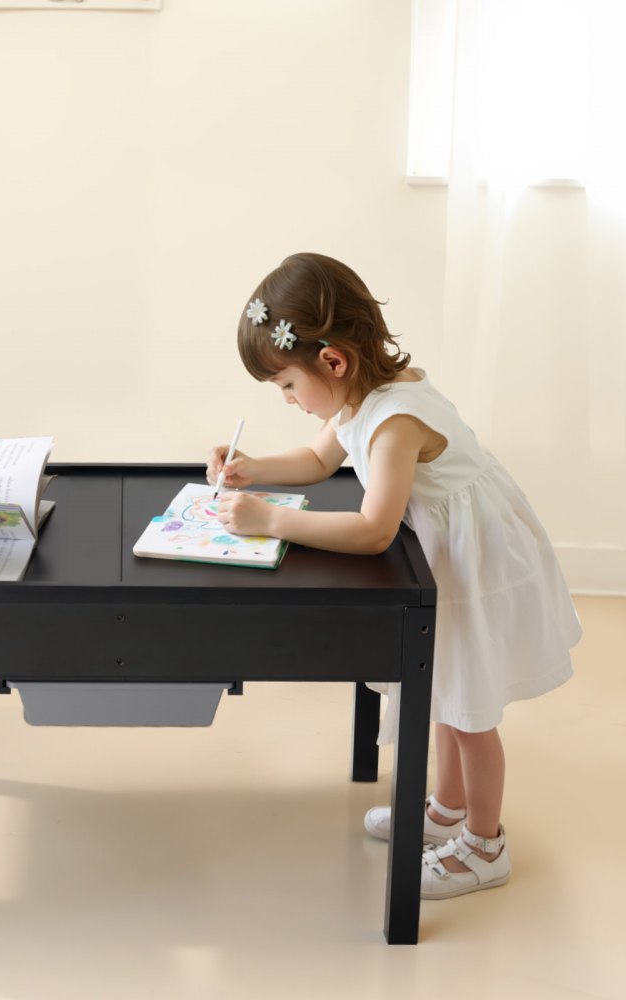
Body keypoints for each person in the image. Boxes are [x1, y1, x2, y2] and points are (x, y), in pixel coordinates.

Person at [209, 252, 581, 899]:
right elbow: (319, 460)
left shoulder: (395, 420)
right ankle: (447, 809)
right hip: (445, 551)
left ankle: (484, 847)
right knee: (441, 688)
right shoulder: (360, 398)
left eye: (287, 387)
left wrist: (270, 520)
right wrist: (254, 468)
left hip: (475, 561)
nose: (290, 401)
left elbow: (373, 529)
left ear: (333, 362)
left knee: (469, 712)